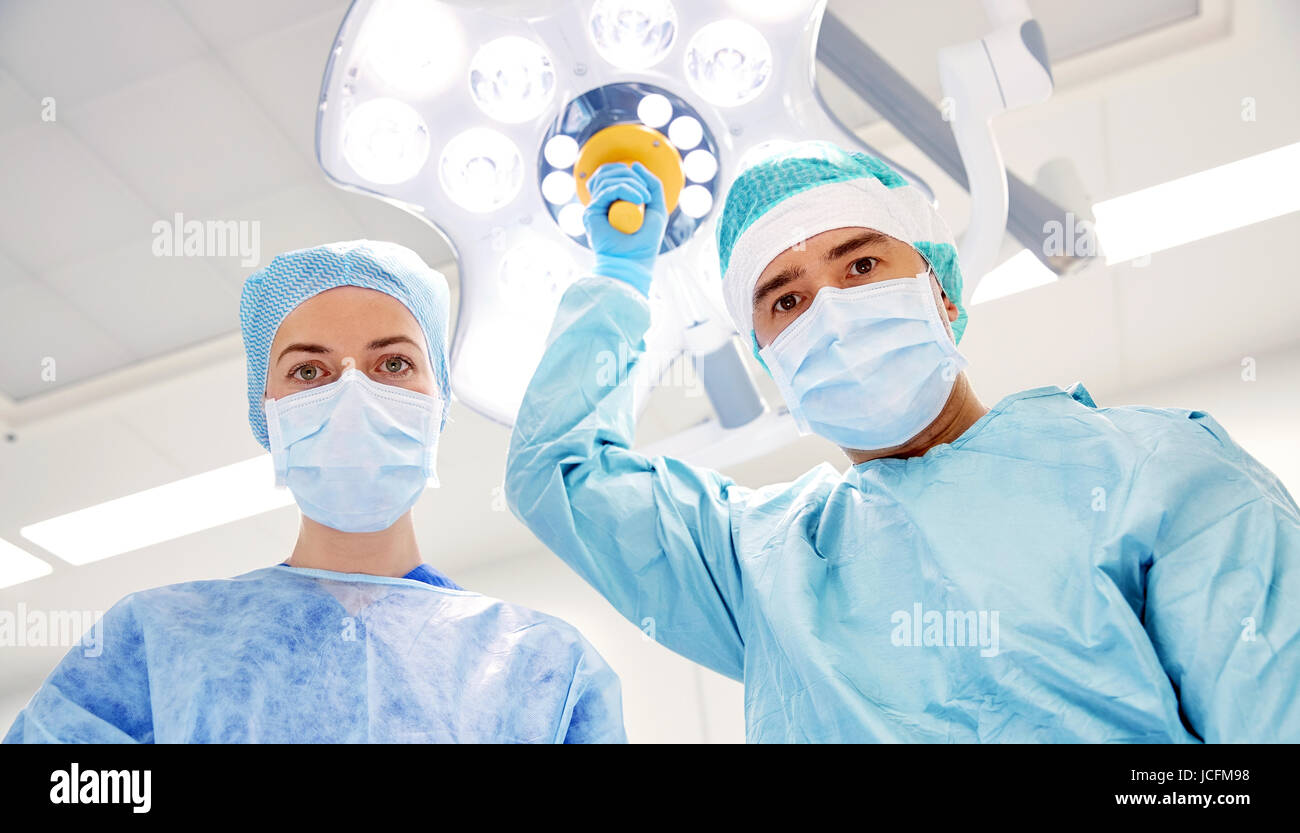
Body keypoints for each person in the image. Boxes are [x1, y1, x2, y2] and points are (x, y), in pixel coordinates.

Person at [504, 144, 1300, 743]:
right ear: (774, 367)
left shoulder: (1150, 472)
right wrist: (617, 276)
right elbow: (558, 472)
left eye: (860, 265)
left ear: (942, 294)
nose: (831, 311)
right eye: (786, 299)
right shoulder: (764, 563)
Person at [6, 240, 625, 744]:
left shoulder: (542, 667)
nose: (353, 394)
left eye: (392, 364)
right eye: (310, 371)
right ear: (266, 413)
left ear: (439, 405)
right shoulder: (157, 642)